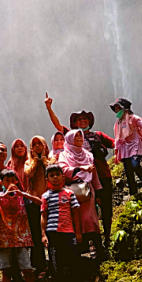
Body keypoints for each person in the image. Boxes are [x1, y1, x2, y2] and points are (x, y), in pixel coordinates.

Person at [44, 93, 115, 260]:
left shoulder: (97, 136)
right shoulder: (69, 144)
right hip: (76, 186)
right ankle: (84, 247)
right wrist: (49, 107)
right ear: (74, 125)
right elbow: (57, 125)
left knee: (104, 211)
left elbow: (115, 143)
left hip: (98, 178)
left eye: (85, 119)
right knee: (81, 217)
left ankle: (105, 242)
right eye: (79, 119)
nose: (83, 121)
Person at [57, 129, 104, 272]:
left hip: (88, 191)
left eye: (80, 136)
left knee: (90, 220)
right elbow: (63, 170)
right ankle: (81, 252)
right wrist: (80, 168)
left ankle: (97, 250)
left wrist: (99, 191)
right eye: (76, 136)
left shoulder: (88, 155)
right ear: (70, 139)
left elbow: (93, 173)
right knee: (76, 221)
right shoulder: (64, 155)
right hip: (72, 192)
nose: (79, 138)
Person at [41, 164, 82, 282]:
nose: (55, 178)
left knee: (74, 261)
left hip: (69, 232)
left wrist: (78, 232)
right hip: (53, 233)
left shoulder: (69, 193)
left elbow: (75, 213)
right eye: (52, 176)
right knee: (56, 263)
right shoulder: (45, 196)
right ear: (47, 179)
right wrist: (43, 234)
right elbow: (43, 216)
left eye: (57, 175)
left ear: (62, 177)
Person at [111, 98, 142, 196]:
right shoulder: (118, 124)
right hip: (124, 149)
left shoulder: (133, 118)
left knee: (135, 165)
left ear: (124, 108)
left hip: (135, 146)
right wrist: (116, 154)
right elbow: (117, 139)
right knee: (128, 171)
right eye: (115, 109)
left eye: (118, 108)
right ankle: (133, 193)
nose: (116, 111)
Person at [24, 136, 53, 278]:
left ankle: (54, 262)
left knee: (52, 231)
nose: (37, 146)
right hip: (35, 201)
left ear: (45, 145)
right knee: (36, 234)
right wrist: (36, 160)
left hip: (51, 200)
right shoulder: (28, 162)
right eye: (34, 144)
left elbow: (54, 170)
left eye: (39, 144)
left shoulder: (51, 159)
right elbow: (28, 173)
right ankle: (39, 264)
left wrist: (44, 160)